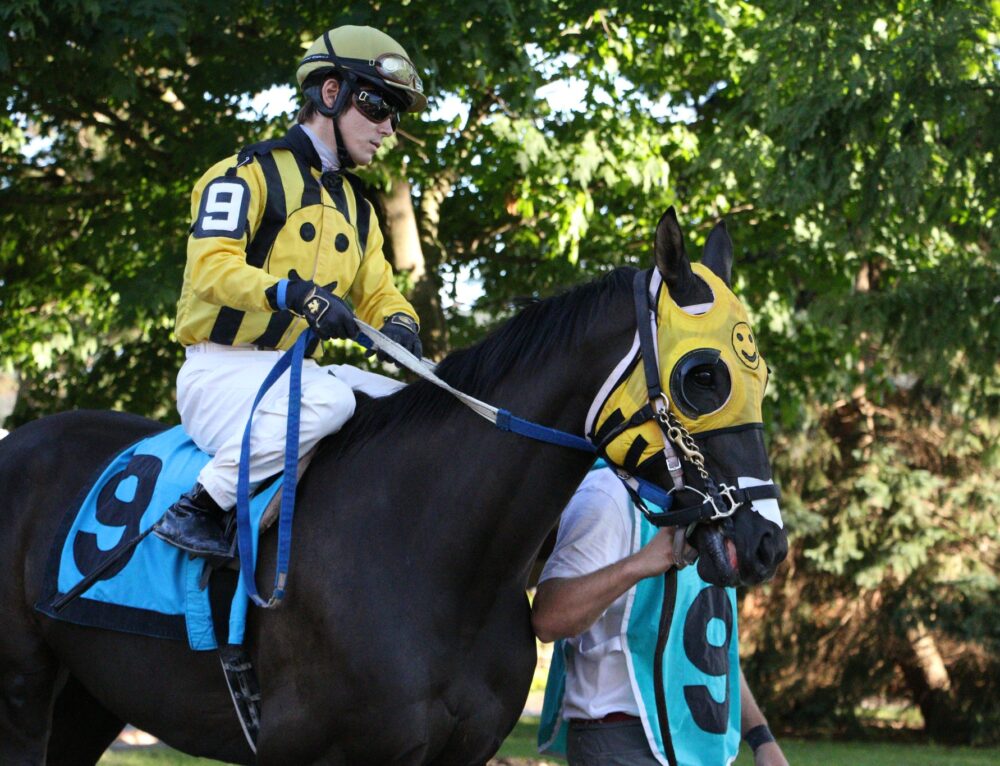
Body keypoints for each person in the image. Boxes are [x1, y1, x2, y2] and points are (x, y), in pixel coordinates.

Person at [154, 26, 425, 557]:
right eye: (378, 106)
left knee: (415, 406)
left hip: (295, 375)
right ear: (332, 94)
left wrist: (399, 323)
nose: (388, 127)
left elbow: (380, 294)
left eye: (396, 115)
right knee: (330, 400)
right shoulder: (241, 174)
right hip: (220, 372)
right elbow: (210, 268)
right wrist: (291, 293)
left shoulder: (361, 211)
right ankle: (200, 506)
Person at [533, 462, 789, 766]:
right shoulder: (608, 493)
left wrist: (761, 737)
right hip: (622, 741)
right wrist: (641, 563)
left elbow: (710, 655)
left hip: (694, 746)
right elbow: (548, 619)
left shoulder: (712, 511)